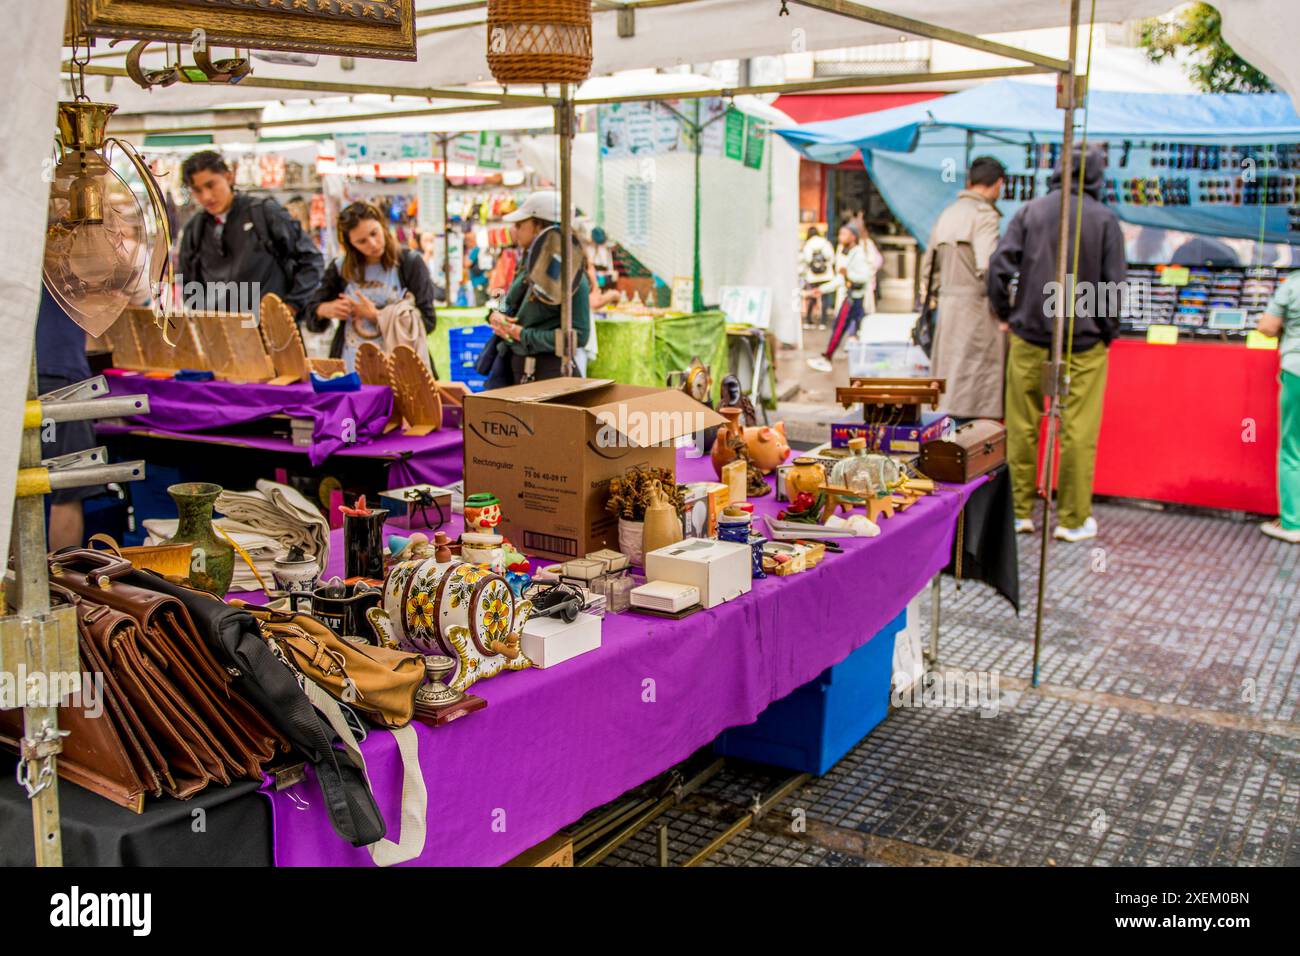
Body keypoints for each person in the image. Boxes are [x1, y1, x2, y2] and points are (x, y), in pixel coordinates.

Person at [988, 144, 1126, 543]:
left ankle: (1016, 513)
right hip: (1084, 340)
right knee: (1078, 430)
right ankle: (1072, 518)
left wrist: (1007, 313)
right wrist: (1106, 329)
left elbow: (999, 268)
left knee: (1021, 424)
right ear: (1099, 174)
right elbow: (1113, 287)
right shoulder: (1105, 220)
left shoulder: (1030, 212)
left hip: (1030, 333)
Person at [177, 151, 323, 320]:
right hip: (222, 336)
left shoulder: (265, 213)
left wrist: (291, 306)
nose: (206, 196)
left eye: (211, 185)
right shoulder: (194, 230)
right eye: (197, 190)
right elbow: (188, 283)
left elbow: (311, 260)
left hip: (271, 331)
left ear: (229, 177)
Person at [920, 156, 1008, 421]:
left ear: (970, 182)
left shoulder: (947, 213)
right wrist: (1004, 312)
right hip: (977, 313)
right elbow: (989, 267)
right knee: (976, 390)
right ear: (998, 184)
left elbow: (928, 270)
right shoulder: (984, 216)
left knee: (948, 387)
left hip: (947, 312)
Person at [304, 201, 438, 374]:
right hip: (351, 369)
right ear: (350, 244)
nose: (373, 244)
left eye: (374, 233)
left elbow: (428, 321)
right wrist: (325, 309)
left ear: (382, 225)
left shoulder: (410, 264)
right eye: (362, 241)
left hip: (401, 370)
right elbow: (310, 315)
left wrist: (377, 316)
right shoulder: (339, 268)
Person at [483, 190, 591, 386]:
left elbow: (579, 336)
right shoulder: (526, 265)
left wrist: (520, 333)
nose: (514, 231)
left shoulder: (569, 276)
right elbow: (506, 299)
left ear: (539, 227)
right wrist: (495, 313)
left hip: (548, 378)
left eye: (519, 225)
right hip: (516, 372)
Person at [36, 290, 100, 550]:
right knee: (68, 489)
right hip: (58, 370)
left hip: (17, 369)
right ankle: (63, 586)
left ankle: (11, 585)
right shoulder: (64, 250)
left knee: (10, 488)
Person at [1255, 272, 1300, 544]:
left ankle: (1293, 522)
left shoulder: (1294, 283)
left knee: (1292, 448)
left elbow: (1267, 326)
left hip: (1297, 371)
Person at [807, 223, 880, 373]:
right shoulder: (847, 252)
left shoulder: (858, 254)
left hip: (855, 299)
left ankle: (828, 357)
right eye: (840, 234)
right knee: (843, 329)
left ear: (853, 237)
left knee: (841, 328)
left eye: (844, 234)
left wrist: (848, 275)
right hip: (851, 297)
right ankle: (828, 356)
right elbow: (840, 278)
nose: (841, 237)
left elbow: (864, 276)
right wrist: (821, 290)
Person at [801, 226, 837, 330]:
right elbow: (831, 257)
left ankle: (809, 320)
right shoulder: (825, 243)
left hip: (813, 276)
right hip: (826, 275)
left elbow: (807, 259)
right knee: (824, 297)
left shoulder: (808, 244)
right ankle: (823, 321)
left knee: (812, 296)